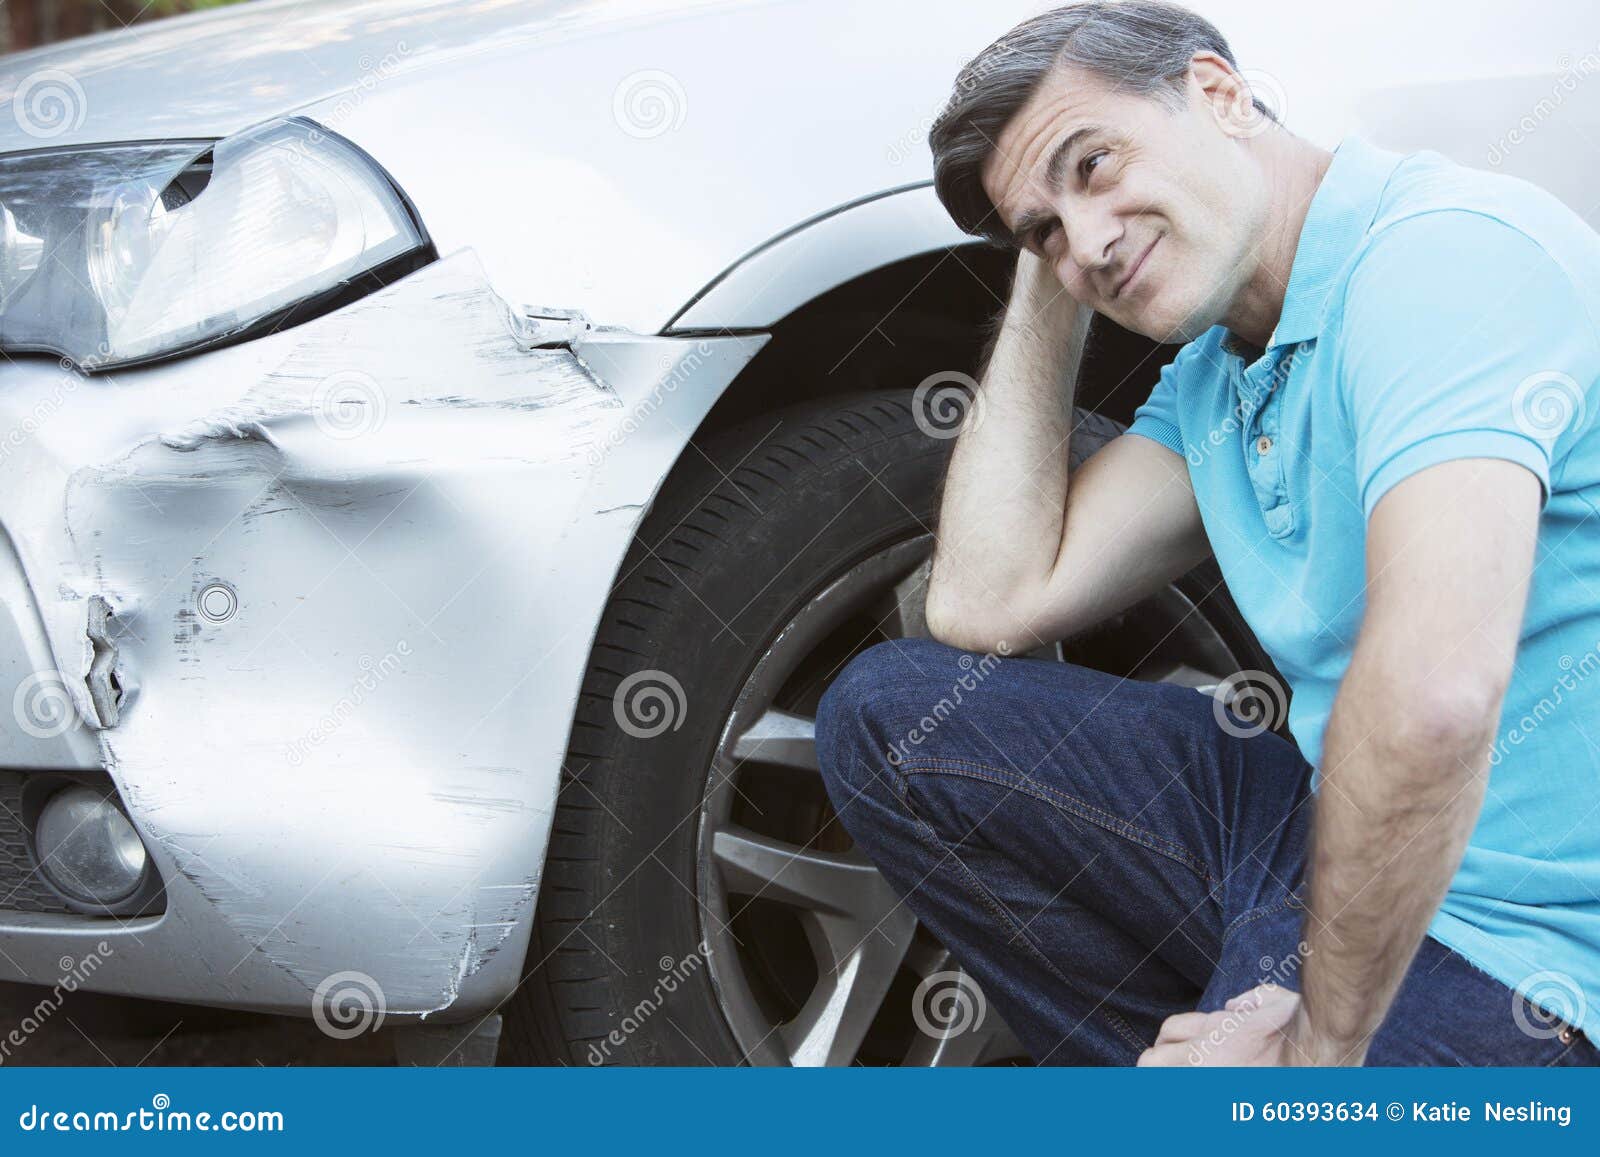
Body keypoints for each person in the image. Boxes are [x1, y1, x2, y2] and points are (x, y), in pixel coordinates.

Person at [815, 0, 1600, 1065]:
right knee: (892, 716)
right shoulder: (1217, 373)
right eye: (1042, 230)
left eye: (1093, 163)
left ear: (1220, 95)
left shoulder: (1438, 266)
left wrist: (1310, 1057)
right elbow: (986, 602)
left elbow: (1431, 703)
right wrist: (1056, 273)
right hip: (1330, 825)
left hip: (1531, 942)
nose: (1083, 241)